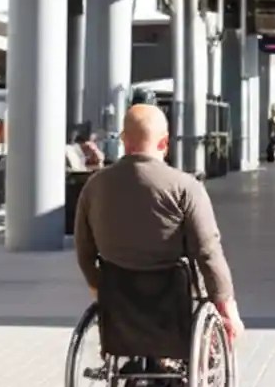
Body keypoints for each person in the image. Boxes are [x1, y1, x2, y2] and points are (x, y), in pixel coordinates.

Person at [74, 103, 244, 343]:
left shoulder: (94, 186)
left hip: (118, 302)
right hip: (172, 302)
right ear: (164, 143)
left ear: (124, 139)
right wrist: (226, 306)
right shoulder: (186, 187)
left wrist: (98, 289)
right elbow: (208, 251)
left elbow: (84, 250)